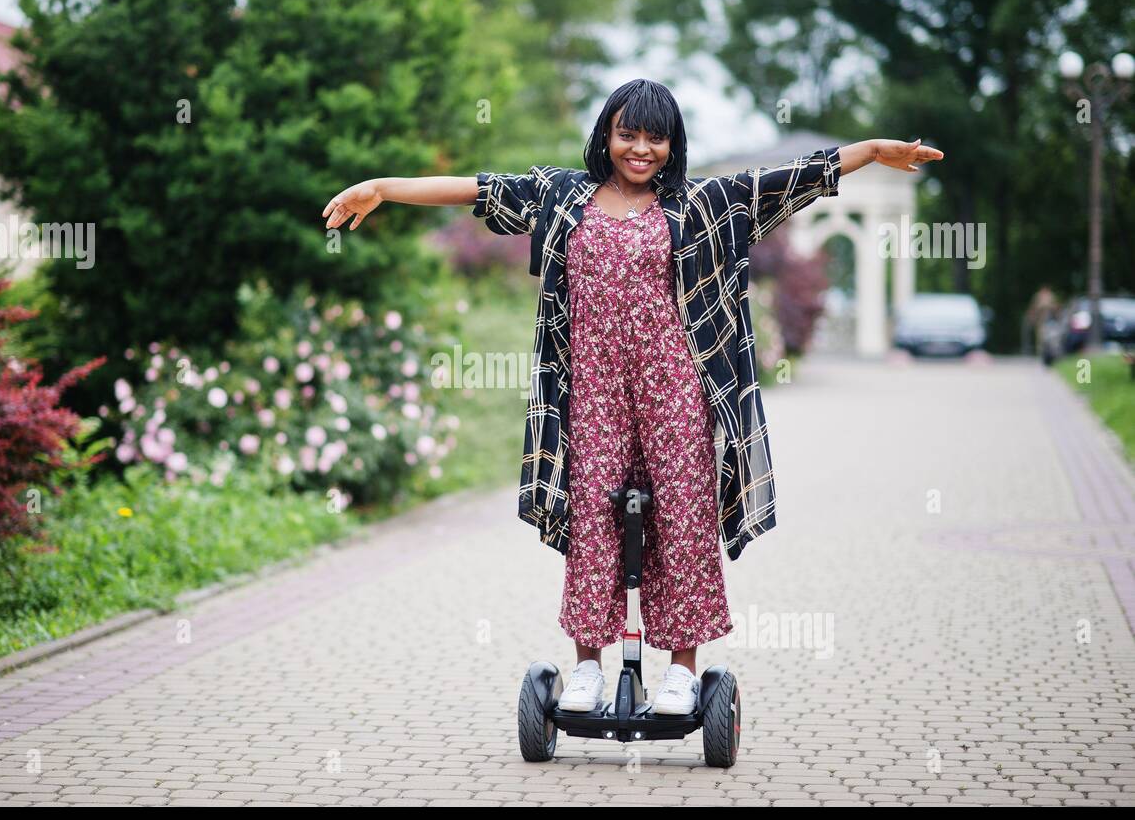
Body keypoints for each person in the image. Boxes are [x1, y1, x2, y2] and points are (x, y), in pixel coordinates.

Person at [322, 79, 943, 716]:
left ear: (672, 144)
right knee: (592, 519)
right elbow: (478, 189)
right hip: (591, 391)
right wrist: (382, 188)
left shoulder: (701, 203)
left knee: (682, 519)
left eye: (655, 137)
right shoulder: (565, 197)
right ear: (606, 135)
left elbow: (789, 176)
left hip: (676, 389)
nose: (640, 149)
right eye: (628, 134)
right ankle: (587, 664)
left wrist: (867, 151)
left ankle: (680, 673)